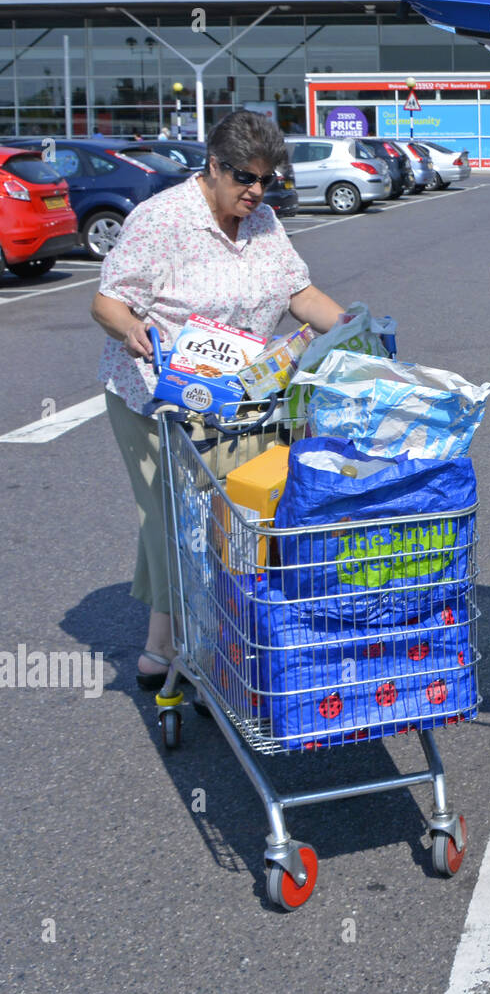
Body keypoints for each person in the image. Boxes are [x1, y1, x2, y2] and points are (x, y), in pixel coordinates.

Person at [91, 110, 347, 692]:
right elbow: (106, 302)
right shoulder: (162, 220)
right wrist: (129, 327)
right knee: (176, 518)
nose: (257, 192)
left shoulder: (263, 223)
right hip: (159, 400)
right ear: (212, 166)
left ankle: (164, 647)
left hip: (240, 401)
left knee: (213, 519)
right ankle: (197, 651)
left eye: (268, 179)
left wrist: (354, 328)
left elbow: (298, 293)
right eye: (245, 179)